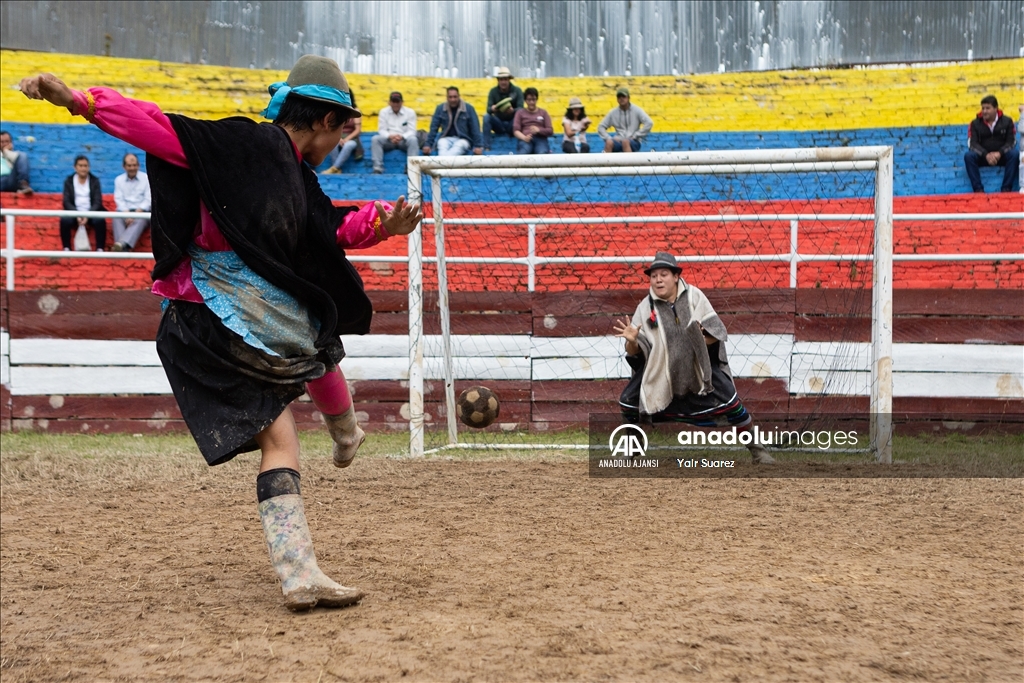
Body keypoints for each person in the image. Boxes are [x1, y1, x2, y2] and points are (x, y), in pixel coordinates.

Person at [20, 55, 422, 612]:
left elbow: (331, 228)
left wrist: (382, 220)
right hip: (219, 314)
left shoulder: (296, 177)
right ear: (327, 120)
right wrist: (80, 102)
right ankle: (337, 461)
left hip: (207, 321)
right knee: (315, 336)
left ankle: (316, 523)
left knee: (306, 352)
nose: (339, 144)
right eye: (343, 130)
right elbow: (158, 127)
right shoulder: (243, 144)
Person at [613, 252, 774, 464]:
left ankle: (758, 452)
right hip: (660, 371)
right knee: (629, 402)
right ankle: (631, 452)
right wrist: (632, 341)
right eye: (654, 276)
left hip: (698, 369)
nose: (658, 280)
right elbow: (635, 352)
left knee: (731, 403)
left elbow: (716, 333)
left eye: (664, 274)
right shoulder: (645, 307)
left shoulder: (695, 297)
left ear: (676, 277)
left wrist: (701, 337)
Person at [964, 94, 1019, 193]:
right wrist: (986, 155)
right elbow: (973, 144)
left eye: (987, 108)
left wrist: (999, 153)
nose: (984, 111)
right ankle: (978, 190)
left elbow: (1011, 142)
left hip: (1001, 156)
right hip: (983, 157)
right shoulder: (975, 123)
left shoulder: (1007, 121)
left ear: (995, 108)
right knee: (969, 156)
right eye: (983, 108)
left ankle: (1006, 189)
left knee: (1014, 154)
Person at [60, 154, 106, 251]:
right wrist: (77, 214)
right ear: (75, 167)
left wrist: (87, 215)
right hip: (74, 212)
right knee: (64, 220)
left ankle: (100, 248)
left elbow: (98, 201)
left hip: (91, 212)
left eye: (85, 166)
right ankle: (66, 247)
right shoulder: (68, 181)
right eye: (80, 166)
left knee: (100, 220)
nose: (83, 168)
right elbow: (66, 201)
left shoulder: (95, 181)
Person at [423, 86, 483, 157]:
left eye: (455, 97)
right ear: (447, 98)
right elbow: (434, 127)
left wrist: (478, 146)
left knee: (459, 145)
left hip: (463, 139)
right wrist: (428, 145)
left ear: (459, 96)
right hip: (446, 138)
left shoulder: (468, 109)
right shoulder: (440, 109)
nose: (453, 99)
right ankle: (446, 164)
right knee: (441, 144)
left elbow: (475, 128)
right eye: (450, 97)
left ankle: (443, 164)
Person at [111, 152, 151, 251]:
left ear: (138, 165)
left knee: (141, 219)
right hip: (125, 212)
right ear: (124, 166)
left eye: (134, 165)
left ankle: (121, 244)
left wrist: (136, 214)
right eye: (129, 165)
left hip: (142, 212)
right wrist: (127, 214)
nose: (132, 168)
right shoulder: (118, 180)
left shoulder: (146, 178)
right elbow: (119, 199)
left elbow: (148, 199)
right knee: (116, 218)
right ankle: (123, 248)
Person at [370, 91, 418, 174]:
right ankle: (377, 168)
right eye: (393, 101)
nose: (395, 104)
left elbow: (412, 131)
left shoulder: (410, 112)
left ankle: (411, 168)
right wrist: (390, 136)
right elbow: (381, 130)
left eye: (397, 102)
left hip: (403, 140)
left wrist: (401, 136)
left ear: (402, 102)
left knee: (413, 140)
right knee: (375, 139)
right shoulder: (383, 112)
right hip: (389, 140)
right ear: (389, 102)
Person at [597, 87, 653, 153]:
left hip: (634, 141)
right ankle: (606, 163)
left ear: (628, 98)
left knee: (625, 142)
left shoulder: (637, 110)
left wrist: (636, 135)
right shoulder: (613, 112)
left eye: (623, 96)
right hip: (618, 140)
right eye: (619, 97)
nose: (621, 99)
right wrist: (608, 138)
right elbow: (601, 127)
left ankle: (629, 163)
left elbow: (649, 123)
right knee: (609, 142)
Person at [482, 67, 523, 150]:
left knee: (520, 116)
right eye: (501, 80)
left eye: (505, 79)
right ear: (498, 80)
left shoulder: (517, 91)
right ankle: (486, 147)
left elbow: (521, 109)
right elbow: (488, 109)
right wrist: (493, 109)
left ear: (509, 80)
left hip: (513, 124)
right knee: (486, 117)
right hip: (499, 123)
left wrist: (513, 111)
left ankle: (521, 146)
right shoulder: (493, 91)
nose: (503, 82)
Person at [321, 91, 362, 174]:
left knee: (349, 145)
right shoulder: (337, 111)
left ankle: (334, 168)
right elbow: (332, 128)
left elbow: (357, 130)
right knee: (333, 143)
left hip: (352, 139)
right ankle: (337, 169)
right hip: (338, 137)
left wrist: (346, 139)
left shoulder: (356, 110)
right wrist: (339, 139)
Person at [512, 87, 553, 155]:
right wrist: (524, 138)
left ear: (536, 100)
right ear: (525, 101)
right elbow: (516, 131)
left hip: (541, 140)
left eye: (533, 99)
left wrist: (539, 130)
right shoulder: (520, 113)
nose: (531, 102)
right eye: (529, 100)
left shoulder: (543, 113)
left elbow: (550, 130)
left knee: (542, 154)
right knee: (523, 153)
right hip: (525, 139)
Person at [0, 130, 33, 195]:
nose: (4, 144)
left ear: (11, 143)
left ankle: (23, 184)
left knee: (23, 155)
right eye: (1, 142)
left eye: (7, 141)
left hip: (11, 180)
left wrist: (5, 151)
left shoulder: (15, 155)